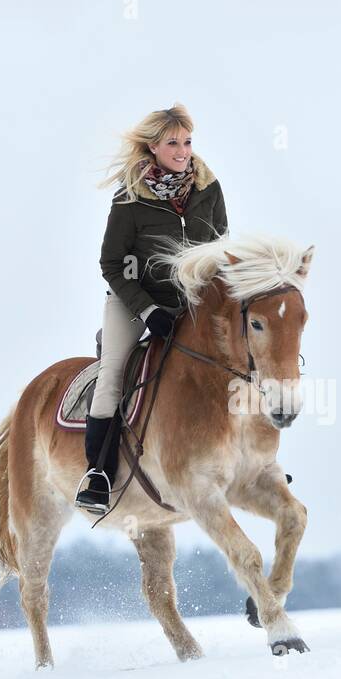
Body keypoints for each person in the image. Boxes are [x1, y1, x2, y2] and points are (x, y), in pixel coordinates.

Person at [76, 104, 229, 512]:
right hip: (133, 301)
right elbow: (112, 264)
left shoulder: (208, 187)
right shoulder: (130, 197)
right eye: (173, 143)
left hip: (190, 301)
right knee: (111, 375)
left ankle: (247, 461)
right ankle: (98, 474)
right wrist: (147, 311)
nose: (183, 151)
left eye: (188, 141)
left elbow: (220, 248)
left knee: (235, 361)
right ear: (153, 147)